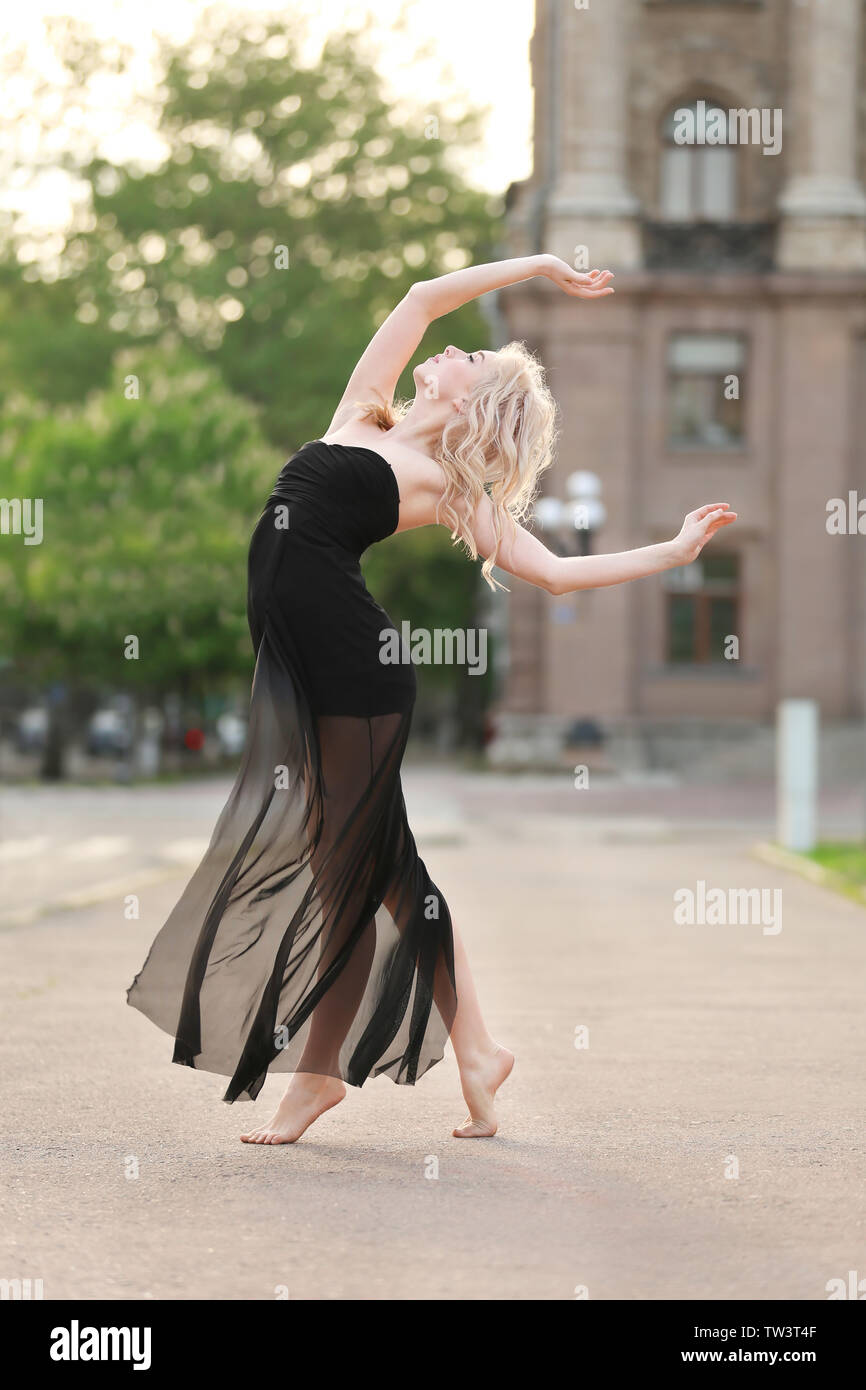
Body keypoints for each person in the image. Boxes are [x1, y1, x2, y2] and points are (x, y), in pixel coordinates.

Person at [127, 253, 736, 1144]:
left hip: (355, 669)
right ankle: (465, 1056)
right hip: (305, 662)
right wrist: (539, 267)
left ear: (480, 398)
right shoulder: (361, 412)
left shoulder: (450, 486)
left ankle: (350, 1074)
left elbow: (555, 573)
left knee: (360, 871)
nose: (451, 349)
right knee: (363, 873)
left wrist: (671, 554)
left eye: (473, 358)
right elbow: (419, 296)